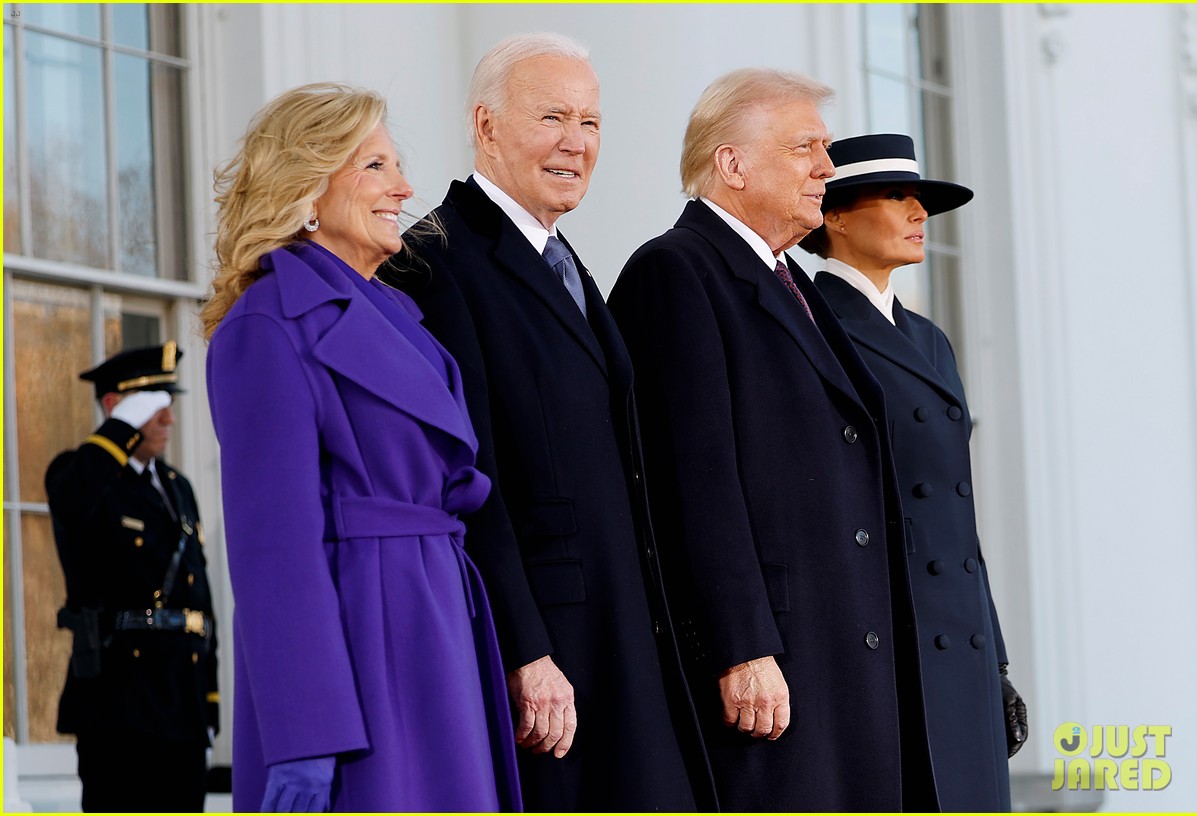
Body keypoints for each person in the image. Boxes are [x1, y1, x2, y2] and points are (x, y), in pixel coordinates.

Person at [382, 33, 713, 811]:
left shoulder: (564, 260)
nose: (577, 142)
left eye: (592, 122)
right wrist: (524, 649)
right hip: (549, 657)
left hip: (625, 633)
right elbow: (468, 478)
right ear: (487, 127)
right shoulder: (433, 258)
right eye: (554, 117)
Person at [607, 69, 938, 811]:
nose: (827, 166)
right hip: (773, 670)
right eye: (805, 148)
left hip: (843, 654)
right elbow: (693, 479)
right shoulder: (676, 271)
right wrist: (741, 646)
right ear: (733, 165)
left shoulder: (792, 281)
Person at [200, 83, 520, 812]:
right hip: (363, 645)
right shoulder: (268, 326)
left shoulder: (400, 314)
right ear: (306, 190)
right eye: (374, 166)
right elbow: (273, 546)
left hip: (434, 621)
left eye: (396, 165)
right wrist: (304, 734)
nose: (404, 188)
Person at [798, 132, 1028, 811]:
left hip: (962, 647)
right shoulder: (811, 323)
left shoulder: (929, 339)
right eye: (897, 197)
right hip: (892, 647)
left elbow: (958, 519)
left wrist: (998, 660)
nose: (918, 213)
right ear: (835, 215)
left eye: (921, 200)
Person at [47, 342, 219, 812]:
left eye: (170, 407)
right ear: (113, 408)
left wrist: (210, 700)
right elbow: (73, 502)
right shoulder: (82, 474)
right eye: (155, 407)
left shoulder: (177, 489)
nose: (169, 419)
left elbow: (198, 598)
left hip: (182, 701)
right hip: (120, 702)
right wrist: (119, 429)